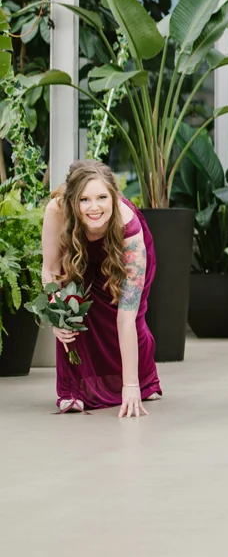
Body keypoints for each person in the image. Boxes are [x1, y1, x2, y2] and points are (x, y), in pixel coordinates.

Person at [39, 161, 161, 416]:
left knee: (129, 319)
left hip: (120, 256)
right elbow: (51, 270)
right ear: (72, 201)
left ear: (114, 197)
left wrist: (131, 386)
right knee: (72, 307)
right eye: (84, 200)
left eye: (102, 197)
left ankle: (137, 379)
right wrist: (55, 312)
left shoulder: (129, 229)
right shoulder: (57, 211)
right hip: (77, 253)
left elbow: (126, 318)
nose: (94, 207)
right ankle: (73, 389)